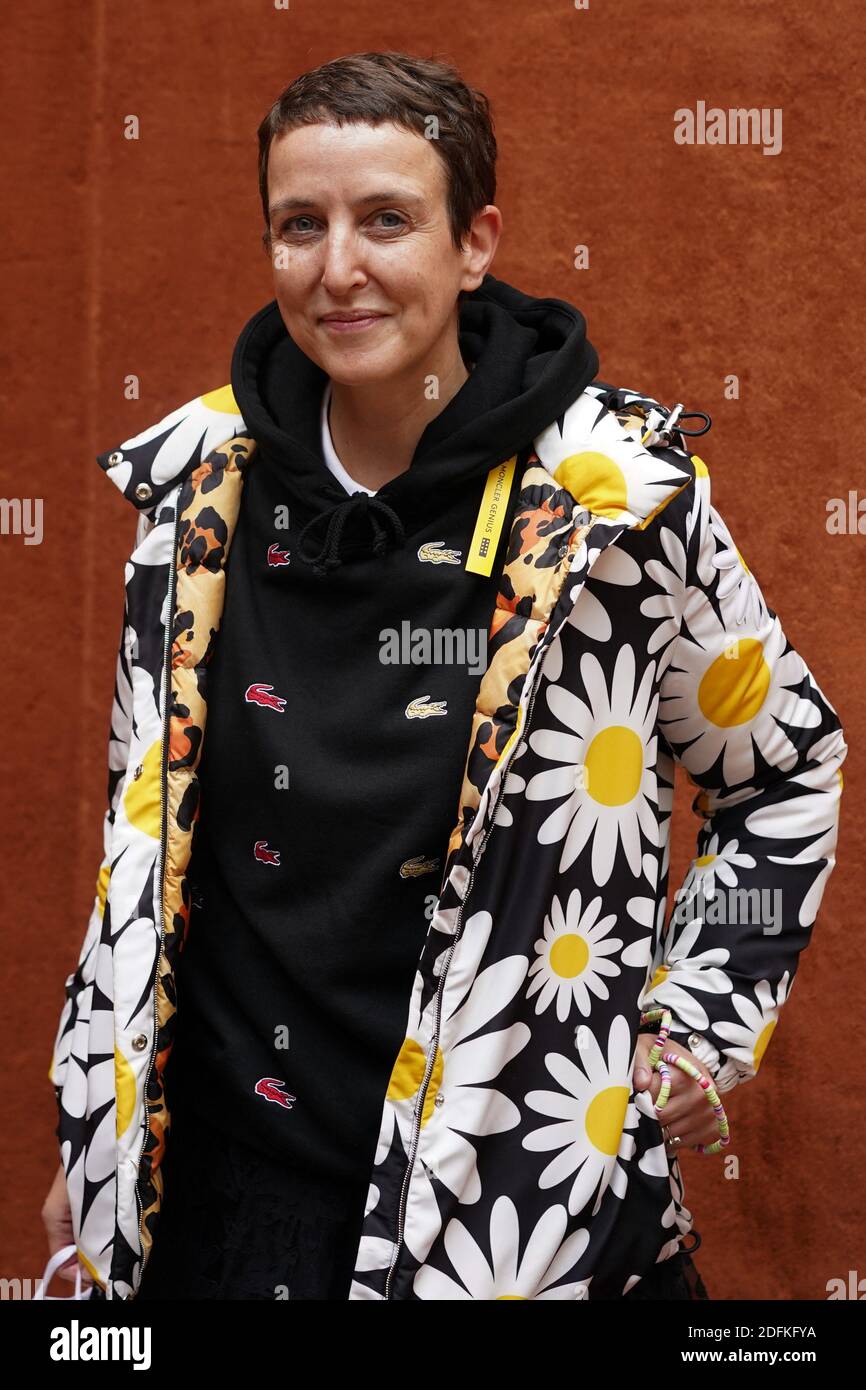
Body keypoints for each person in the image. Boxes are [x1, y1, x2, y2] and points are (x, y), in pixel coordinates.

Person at [43, 49, 846, 1302]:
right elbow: (142, 846)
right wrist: (105, 1119)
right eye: (297, 225)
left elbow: (784, 767)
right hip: (217, 1201)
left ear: (475, 243)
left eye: (385, 221)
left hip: (512, 1214)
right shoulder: (194, 487)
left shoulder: (615, 503)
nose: (336, 269)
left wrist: (695, 1030)